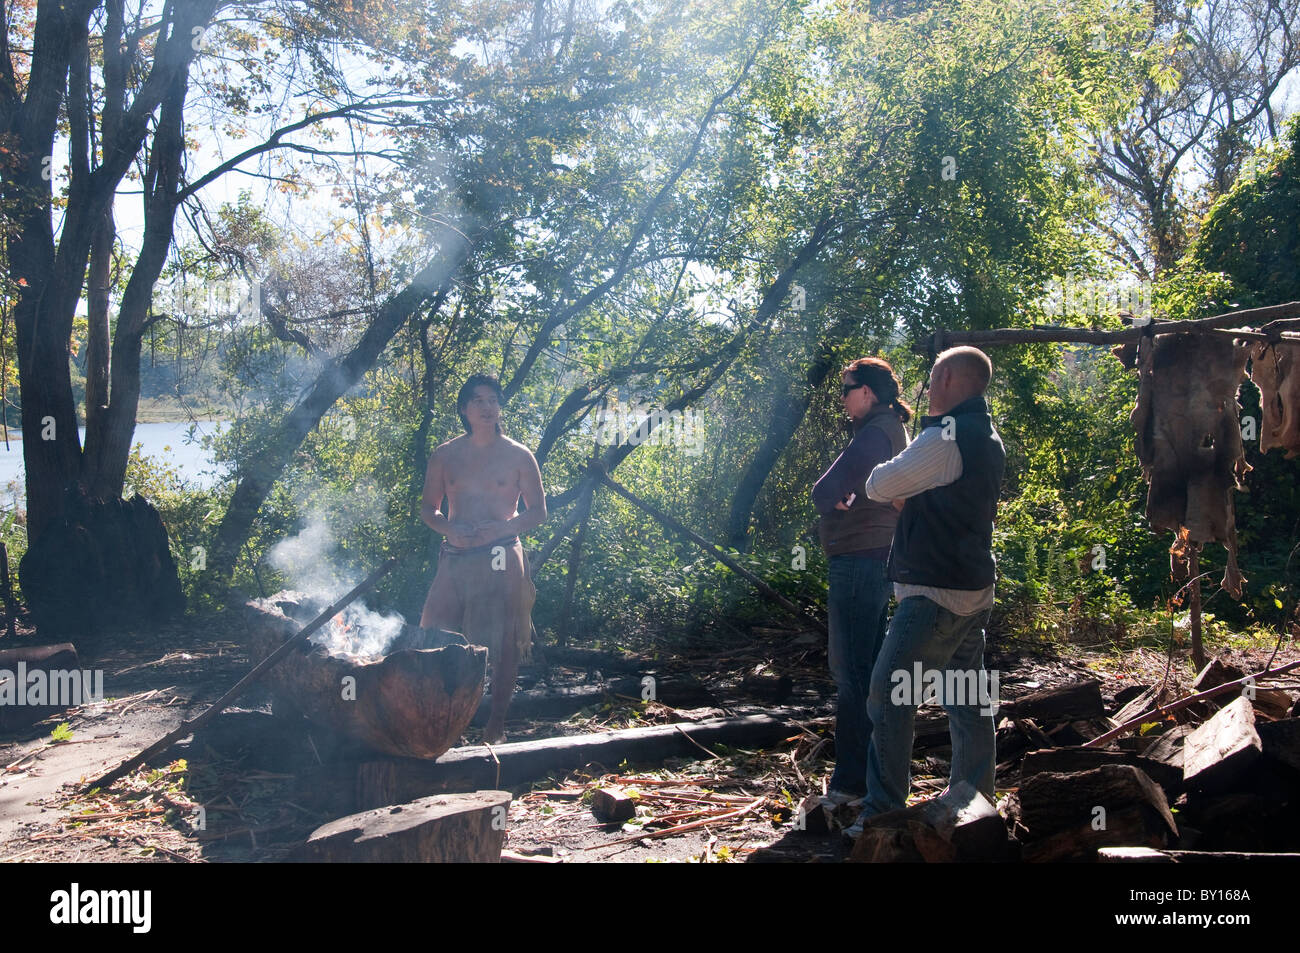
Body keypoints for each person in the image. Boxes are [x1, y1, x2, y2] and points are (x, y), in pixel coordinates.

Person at [848, 346, 1005, 832]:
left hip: (934, 593)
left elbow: (880, 484)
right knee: (967, 702)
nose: (927, 387)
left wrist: (903, 486)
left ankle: (883, 815)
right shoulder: (987, 434)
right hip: (972, 589)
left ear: (952, 380)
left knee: (888, 697)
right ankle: (976, 806)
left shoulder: (945, 437)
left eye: (934, 377)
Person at [419, 374, 547, 744]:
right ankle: (442, 725)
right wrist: (447, 528)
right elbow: (429, 508)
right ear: (464, 409)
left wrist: (501, 529)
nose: (488, 407)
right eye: (479, 401)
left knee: (504, 641)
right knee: (434, 635)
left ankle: (495, 727)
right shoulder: (445, 454)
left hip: (501, 556)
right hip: (456, 555)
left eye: (493, 400)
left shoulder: (519, 455)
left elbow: (538, 512)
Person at [811, 357, 911, 803]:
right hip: (873, 562)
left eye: (847, 389)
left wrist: (835, 501)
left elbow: (823, 492)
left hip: (857, 562)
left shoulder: (875, 434)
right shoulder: (889, 430)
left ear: (867, 392)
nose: (842, 398)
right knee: (865, 672)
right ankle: (869, 779)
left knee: (850, 674)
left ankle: (850, 784)